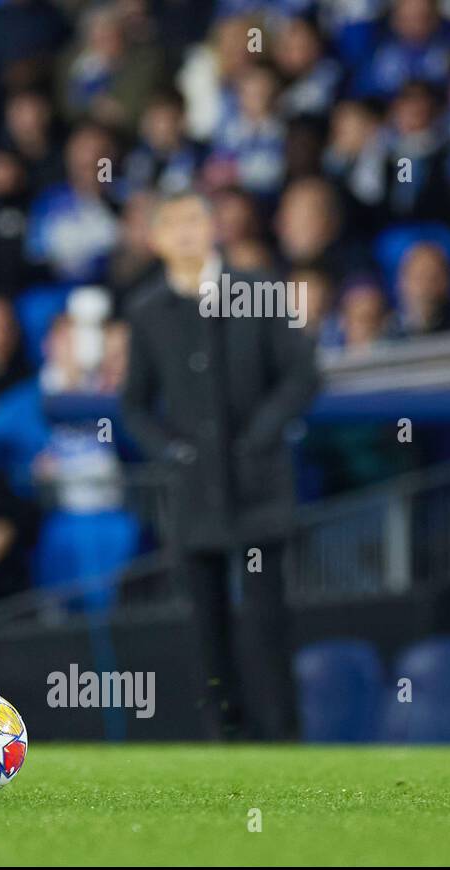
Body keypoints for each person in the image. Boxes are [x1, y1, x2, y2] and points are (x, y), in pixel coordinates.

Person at [120, 190, 320, 741]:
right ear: (156, 239)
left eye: (194, 220)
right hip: (194, 493)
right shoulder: (147, 310)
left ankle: (282, 738)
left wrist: (259, 437)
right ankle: (224, 740)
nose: (185, 233)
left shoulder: (257, 291)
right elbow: (134, 402)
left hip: (257, 488)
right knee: (206, 627)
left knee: (266, 624)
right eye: (173, 224)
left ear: (213, 229)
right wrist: (169, 451)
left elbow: (303, 374)